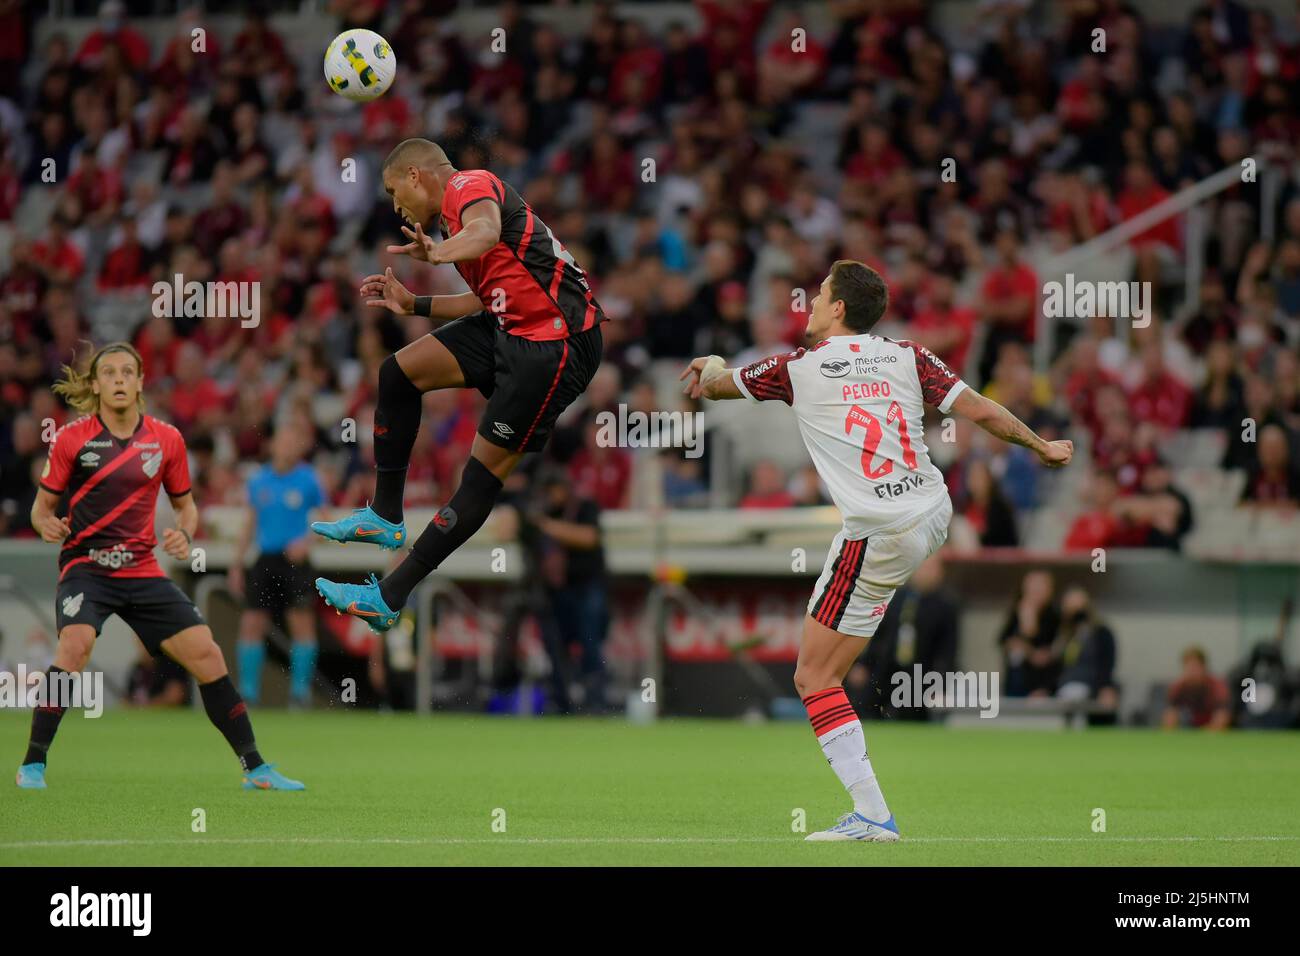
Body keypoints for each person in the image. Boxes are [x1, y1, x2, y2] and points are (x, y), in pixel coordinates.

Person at [682, 260, 1072, 842]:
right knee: (829, 669)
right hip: (932, 514)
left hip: (879, 531)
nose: (810, 303)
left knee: (813, 677)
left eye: (819, 295)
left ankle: (871, 815)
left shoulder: (799, 368)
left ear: (838, 308)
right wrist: (1041, 446)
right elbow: (983, 411)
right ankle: (871, 812)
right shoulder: (908, 355)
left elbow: (715, 386)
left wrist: (710, 364)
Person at [311, 139, 605, 631]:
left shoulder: (471, 185)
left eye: (392, 191)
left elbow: (486, 232)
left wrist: (439, 253)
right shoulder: (453, 221)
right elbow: (486, 298)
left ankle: (389, 595)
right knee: (397, 373)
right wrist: (415, 305)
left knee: (479, 477)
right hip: (510, 326)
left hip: (557, 343)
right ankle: (385, 516)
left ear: (414, 175)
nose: (394, 205)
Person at [15, 342, 303, 791]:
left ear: (140, 381)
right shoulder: (72, 438)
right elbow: (40, 508)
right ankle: (32, 765)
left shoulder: (166, 439)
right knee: (75, 646)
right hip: (86, 568)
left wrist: (184, 534)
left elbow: (187, 508)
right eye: (108, 373)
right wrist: (46, 525)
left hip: (142, 569)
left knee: (207, 654)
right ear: (95, 384)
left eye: (127, 372)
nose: (118, 380)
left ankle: (256, 769)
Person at [229, 426, 326, 708]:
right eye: (282, 441)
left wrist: (306, 541)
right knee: (252, 623)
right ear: (273, 445)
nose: (286, 447)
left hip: (295, 562)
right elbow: (250, 522)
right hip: (266, 559)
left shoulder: (309, 479)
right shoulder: (259, 481)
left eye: (292, 442)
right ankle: (248, 693)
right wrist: (237, 563)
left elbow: (327, 522)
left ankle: (299, 694)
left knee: (301, 623)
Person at [1162, 646, 1231, 730]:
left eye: (1195, 667)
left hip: (1214, 730)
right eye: (1188, 667)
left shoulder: (1217, 687)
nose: (1192, 671)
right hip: (1189, 726)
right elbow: (1170, 714)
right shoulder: (1178, 687)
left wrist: (1210, 730)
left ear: (1203, 667)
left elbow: (1222, 715)